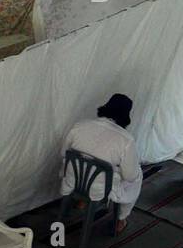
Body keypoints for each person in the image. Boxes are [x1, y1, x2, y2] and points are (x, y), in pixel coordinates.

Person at [60, 93, 142, 233]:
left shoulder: (80, 125)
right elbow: (130, 176)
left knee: (90, 167)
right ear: (126, 115)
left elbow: (64, 153)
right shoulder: (126, 140)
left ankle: (82, 200)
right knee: (137, 175)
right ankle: (121, 218)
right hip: (100, 188)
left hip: (73, 179)